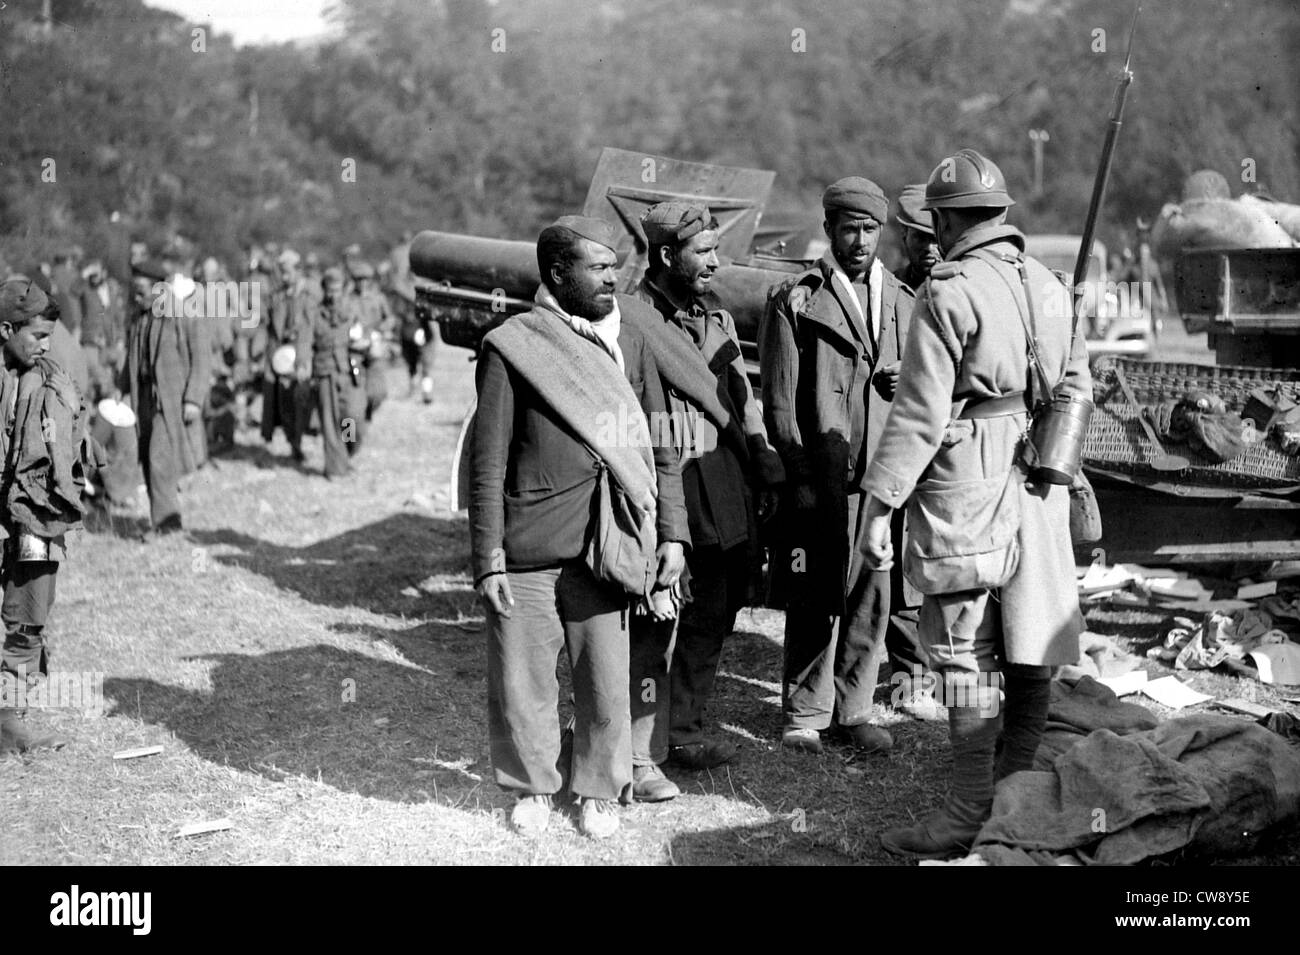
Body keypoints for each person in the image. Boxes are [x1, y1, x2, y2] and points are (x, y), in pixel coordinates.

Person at [861, 149, 1091, 858]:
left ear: (947, 220)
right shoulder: (1050, 283)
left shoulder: (948, 288)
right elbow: (1078, 385)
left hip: (968, 481)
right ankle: (1014, 797)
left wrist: (880, 502)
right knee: (1031, 648)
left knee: (963, 654)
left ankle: (968, 810)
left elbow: (922, 415)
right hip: (1040, 481)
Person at [469, 215, 687, 839]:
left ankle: (598, 789)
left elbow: (662, 444)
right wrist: (489, 556)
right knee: (525, 677)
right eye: (597, 267)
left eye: (615, 267)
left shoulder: (632, 341)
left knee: (606, 678)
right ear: (557, 274)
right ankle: (532, 787)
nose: (612, 279)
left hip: (612, 540)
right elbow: (488, 462)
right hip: (533, 541)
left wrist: (671, 533)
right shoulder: (513, 345)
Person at [622, 201, 784, 800]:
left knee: (711, 616)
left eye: (717, 249)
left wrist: (761, 459)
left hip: (723, 485)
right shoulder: (632, 321)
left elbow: (741, 394)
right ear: (666, 257)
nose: (716, 261)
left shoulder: (712, 313)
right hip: (669, 487)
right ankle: (639, 755)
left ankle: (684, 732)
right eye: (703, 252)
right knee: (654, 624)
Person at [759, 177, 917, 755]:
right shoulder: (796, 298)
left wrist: (903, 380)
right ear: (828, 230)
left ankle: (855, 708)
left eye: (869, 229)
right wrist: (796, 474)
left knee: (871, 596)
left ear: (882, 232)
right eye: (847, 228)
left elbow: (925, 390)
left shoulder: (902, 300)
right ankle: (805, 712)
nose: (858, 240)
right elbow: (778, 397)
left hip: (878, 479)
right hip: (818, 479)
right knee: (812, 592)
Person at [0, 278, 87, 756]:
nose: (47, 344)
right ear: (6, 329)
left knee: (27, 621)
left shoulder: (45, 377)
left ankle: (10, 725)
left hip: (28, 515)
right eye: (37, 336)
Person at [120, 259, 210, 535]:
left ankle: (169, 524)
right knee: (148, 457)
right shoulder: (139, 319)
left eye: (142, 290)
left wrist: (193, 399)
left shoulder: (183, 315)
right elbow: (132, 359)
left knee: (160, 457)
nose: (137, 296)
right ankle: (160, 519)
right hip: (144, 396)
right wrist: (121, 388)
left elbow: (202, 359)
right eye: (135, 290)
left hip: (170, 399)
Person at [296, 267, 365, 479]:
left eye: (337, 290)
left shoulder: (351, 309)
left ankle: (347, 453)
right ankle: (335, 468)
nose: (333, 294)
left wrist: (366, 342)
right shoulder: (315, 313)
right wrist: (302, 362)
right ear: (324, 290)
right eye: (329, 290)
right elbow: (305, 339)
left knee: (350, 417)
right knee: (329, 421)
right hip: (324, 370)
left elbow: (363, 331)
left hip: (347, 369)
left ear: (343, 289)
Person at [260, 249, 317, 462]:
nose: (284, 277)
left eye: (288, 272)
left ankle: (345, 444)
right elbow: (269, 327)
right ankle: (294, 442)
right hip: (282, 359)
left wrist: (306, 359)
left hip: (304, 356)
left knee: (303, 401)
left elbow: (311, 330)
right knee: (286, 405)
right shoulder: (277, 297)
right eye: (281, 272)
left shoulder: (310, 295)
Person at [344, 260, 395, 425]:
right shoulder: (347, 300)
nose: (363, 283)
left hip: (373, 351)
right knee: (350, 405)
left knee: (377, 393)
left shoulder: (378, 298)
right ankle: (347, 442)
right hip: (353, 354)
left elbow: (390, 319)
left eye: (366, 279)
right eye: (359, 280)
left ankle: (366, 413)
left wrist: (380, 329)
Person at [77, 260, 127, 404]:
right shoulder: (86, 289)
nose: (94, 277)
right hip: (90, 340)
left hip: (108, 341)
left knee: (109, 374)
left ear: (104, 273)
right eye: (92, 275)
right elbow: (73, 290)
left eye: (97, 273)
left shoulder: (111, 291)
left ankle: (102, 405)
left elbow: (118, 318)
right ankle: (100, 401)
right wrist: (85, 273)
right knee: (95, 372)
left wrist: (120, 339)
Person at [894, 184, 941, 293]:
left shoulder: (965, 287)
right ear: (904, 234)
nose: (929, 247)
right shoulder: (889, 287)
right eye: (920, 238)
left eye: (936, 239)